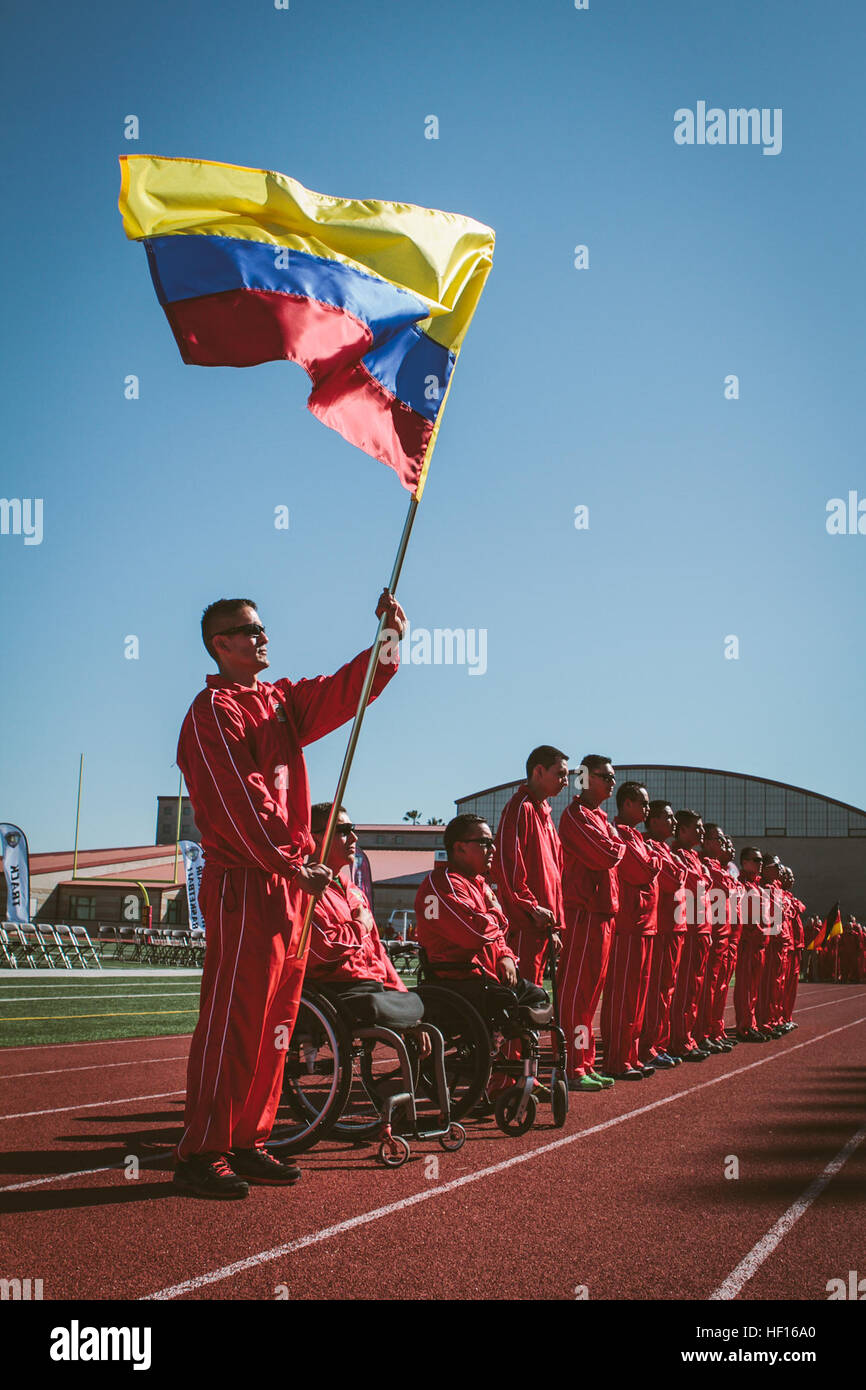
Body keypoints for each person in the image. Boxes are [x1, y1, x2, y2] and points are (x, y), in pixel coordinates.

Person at [173, 588, 405, 1198]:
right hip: (249, 883)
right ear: (221, 644)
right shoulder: (212, 711)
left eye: (262, 627)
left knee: (276, 1020)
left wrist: (386, 642)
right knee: (235, 1019)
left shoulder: (279, 701)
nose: (262, 637)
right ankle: (202, 1150)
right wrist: (289, 860)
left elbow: (343, 691)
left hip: (289, 885)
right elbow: (236, 798)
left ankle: (248, 1138)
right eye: (249, 631)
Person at [558, 755, 625, 1091]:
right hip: (583, 911)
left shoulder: (600, 818)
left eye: (613, 777)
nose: (612, 782)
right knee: (577, 992)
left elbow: (611, 850)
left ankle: (584, 1061)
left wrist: (614, 844)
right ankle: (572, 1065)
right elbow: (606, 855)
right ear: (586, 778)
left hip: (603, 912)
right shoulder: (576, 816)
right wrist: (616, 845)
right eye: (605, 776)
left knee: (591, 995)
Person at [599, 783, 662, 1080]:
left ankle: (631, 1054)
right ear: (626, 804)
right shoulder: (620, 834)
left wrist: (651, 861)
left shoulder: (637, 838)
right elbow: (640, 871)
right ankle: (616, 1059)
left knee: (637, 998)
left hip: (645, 926)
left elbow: (648, 867)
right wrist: (653, 862)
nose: (647, 809)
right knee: (623, 996)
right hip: (628, 925)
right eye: (643, 803)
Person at [493, 746, 567, 986]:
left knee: (535, 996)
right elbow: (506, 865)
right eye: (560, 774)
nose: (566, 782)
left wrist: (554, 927)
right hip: (524, 924)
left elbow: (555, 876)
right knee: (521, 996)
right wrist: (531, 907)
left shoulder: (545, 815)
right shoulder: (520, 807)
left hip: (542, 925)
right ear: (539, 771)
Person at [638, 801, 687, 1070]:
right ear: (654, 821)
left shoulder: (665, 850)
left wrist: (677, 868)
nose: (674, 823)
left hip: (672, 927)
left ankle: (658, 1045)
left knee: (666, 990)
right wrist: (678, 869)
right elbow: (674, 880)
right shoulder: (648, 845)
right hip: (660, 927)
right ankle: (647, 1047)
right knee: (654, 991)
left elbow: (679, 877)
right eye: (669, 818)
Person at [668, 811, 713, 1061]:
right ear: (682, 829)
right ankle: (679, 1040)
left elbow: (703, 884)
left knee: (693, 989)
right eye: (697, 827)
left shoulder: (694, 857)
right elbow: (696, 884)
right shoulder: (677, 854)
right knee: (683, 989)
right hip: (690, 928)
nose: (701, 832)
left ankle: (688, 1037)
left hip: (701, 929)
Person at [695, 824, 735, 1054]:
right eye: (720, 840)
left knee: (717, 988)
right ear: (707, 842)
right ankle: (700, 1033)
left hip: (724, 935)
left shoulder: (720, 869)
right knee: (703, 989)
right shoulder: (704, 865)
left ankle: (712, 1031)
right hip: (709, 933)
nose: (725, 846)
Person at [734, 847, 770, 1041]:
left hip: (759, 944)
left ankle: (751, 1023)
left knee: (754, 988)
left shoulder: (757, 886)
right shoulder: (741, 884)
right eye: (756, 860)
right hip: (748, 943)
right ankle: (744, 1026)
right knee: (745, 987)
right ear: (744, 862)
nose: (760, 863)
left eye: (761, 860)